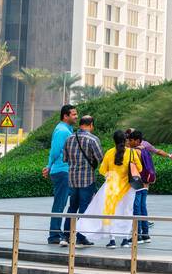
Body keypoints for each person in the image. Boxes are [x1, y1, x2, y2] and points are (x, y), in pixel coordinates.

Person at [78, 130, 142, 248]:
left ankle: (112, 240)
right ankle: (125, 239)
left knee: (112, 212)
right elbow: (140, 168)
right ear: (126, 140)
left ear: (114, 140)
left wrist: (110, 174)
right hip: (128, 188)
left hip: (112, 188)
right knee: (127, 212)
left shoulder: (109, 153)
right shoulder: (132, 153)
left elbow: (102, 170)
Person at [123, 129, 172, 246]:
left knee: (137, 209)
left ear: (136, 141)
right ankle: (145, 234)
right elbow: (158, 152)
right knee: (143, 208)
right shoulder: (145, 146)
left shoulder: (134, 151)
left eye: (130, 139)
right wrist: (170, 155)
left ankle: (138, 235)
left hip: (137, 183)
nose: (129, 141)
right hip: (146, 183)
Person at [61, 116, 104, 247]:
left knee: (72, 207)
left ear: (80, 124)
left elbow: (65, 159)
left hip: (73, 179)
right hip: (87, 179)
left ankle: (66, 236)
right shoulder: (93, 139)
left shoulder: (69, 139)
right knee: (85, 208)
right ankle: (80, 237)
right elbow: (101, 159)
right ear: (91, 125)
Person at [42, 104, 77, 245]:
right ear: (65, 116)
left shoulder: (67, 130)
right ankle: (54, 235)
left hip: (65, 170)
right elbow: (55, 151)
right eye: (73, 114)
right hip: (62, 171)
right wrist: (49, 166)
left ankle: (59, 233)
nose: (76, 116)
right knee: (59, 203)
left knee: (63, 203)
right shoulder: (62, 131)